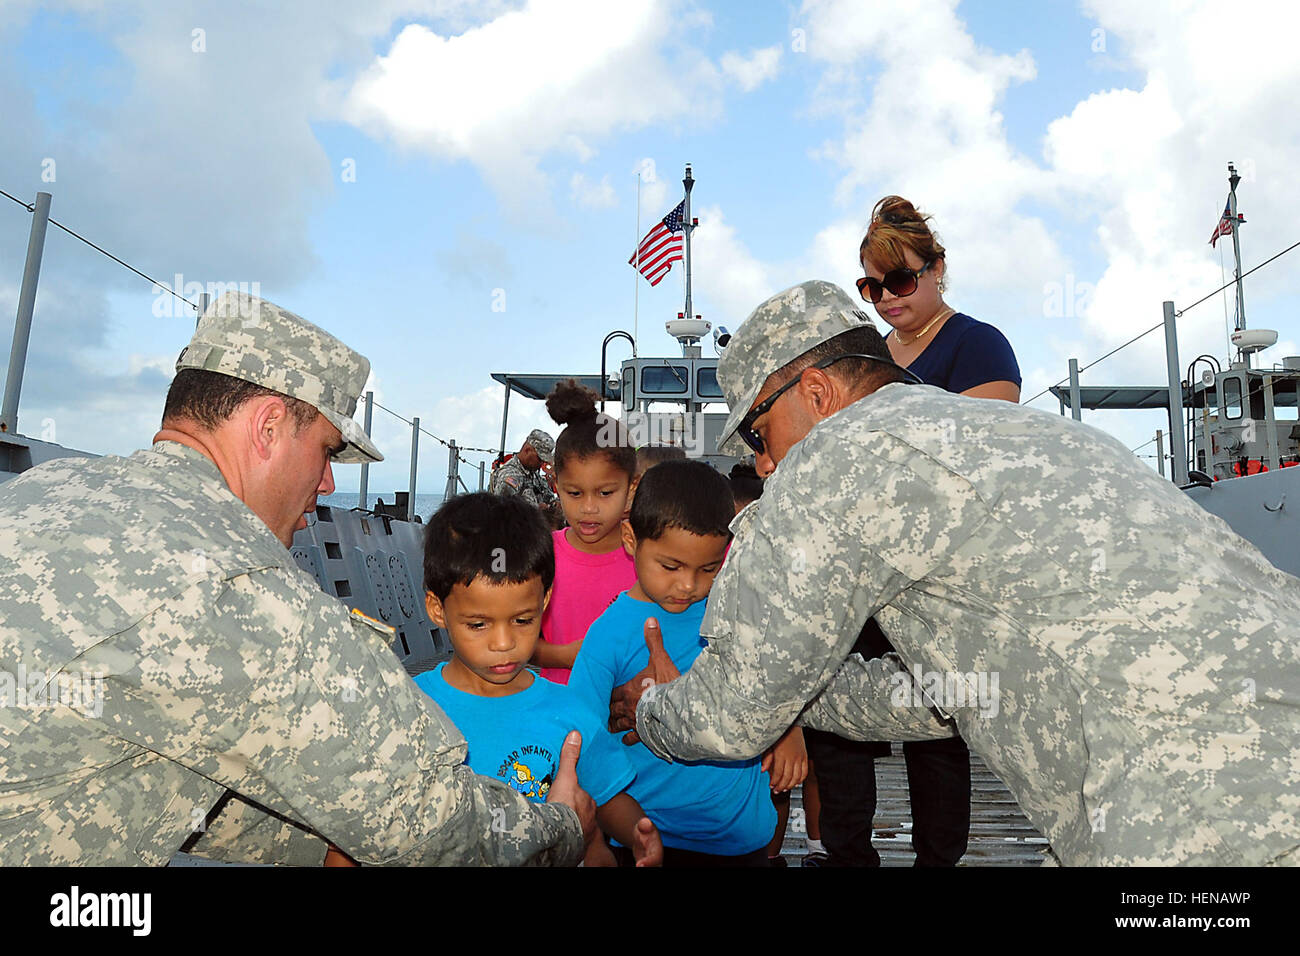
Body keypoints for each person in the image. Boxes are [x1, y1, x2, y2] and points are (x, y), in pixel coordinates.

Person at [615, 279, 1300, 866]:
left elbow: (732, 717)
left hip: (1198, 810)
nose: (762, 465)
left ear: (817, 392)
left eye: (760, 435)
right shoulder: (1029, 433)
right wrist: (793, 694)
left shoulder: (834, 459)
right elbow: (959, 692)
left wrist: (651, 709)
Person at [0, 292, 595, 866]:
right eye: (327, 451)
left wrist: (327, 843)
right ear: (268, 426)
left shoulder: (37, 494)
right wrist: (561, 828)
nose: (328, 484)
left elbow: (153, 771)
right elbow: (421, 819)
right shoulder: (238, 579)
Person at [802, 195, 1024, 867]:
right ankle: (848, 858)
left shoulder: (979, 344)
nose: (886, 298)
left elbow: (981, 454)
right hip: (861, 570)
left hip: (938, 576)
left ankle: (937, 863)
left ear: (937, 269)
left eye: (900, 280)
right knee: (840, 726)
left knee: (938, 734)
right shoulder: (863, 355)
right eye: (871, 286)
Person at [413, 492, 662, 867]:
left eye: (522, 620)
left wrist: (637, 834)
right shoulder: (411, 710)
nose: (504, 643)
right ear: (437, 609)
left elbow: (606, 796)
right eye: (478, 624)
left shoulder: (569, 711)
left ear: (544, 602)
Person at [567, 459, 778, 866]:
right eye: (671, 566)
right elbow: (582, 738)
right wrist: (599, 837)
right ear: (631, 539)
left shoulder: (740, 615)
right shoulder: (607, 636)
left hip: (739, 835)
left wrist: (792, 734)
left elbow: (776, 683)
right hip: (646, 834)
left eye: (708, 569)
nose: (688, 585)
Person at [530, 380, 637, 684]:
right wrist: (565, 656)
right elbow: (520, 641)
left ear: (631, 488)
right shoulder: (542, 554)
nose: (589, 508)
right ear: (556, 487)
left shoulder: (650, 556)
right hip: (561, 716)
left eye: (605, 493)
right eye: (575, 494)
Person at [491, 429, 558, 509]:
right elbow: (501, 507)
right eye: (539, 459)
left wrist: (554, 504)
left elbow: (549, 497)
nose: (541, 463)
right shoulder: (510, 474)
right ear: (527, 451)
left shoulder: (533, 474)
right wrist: (536, 510)